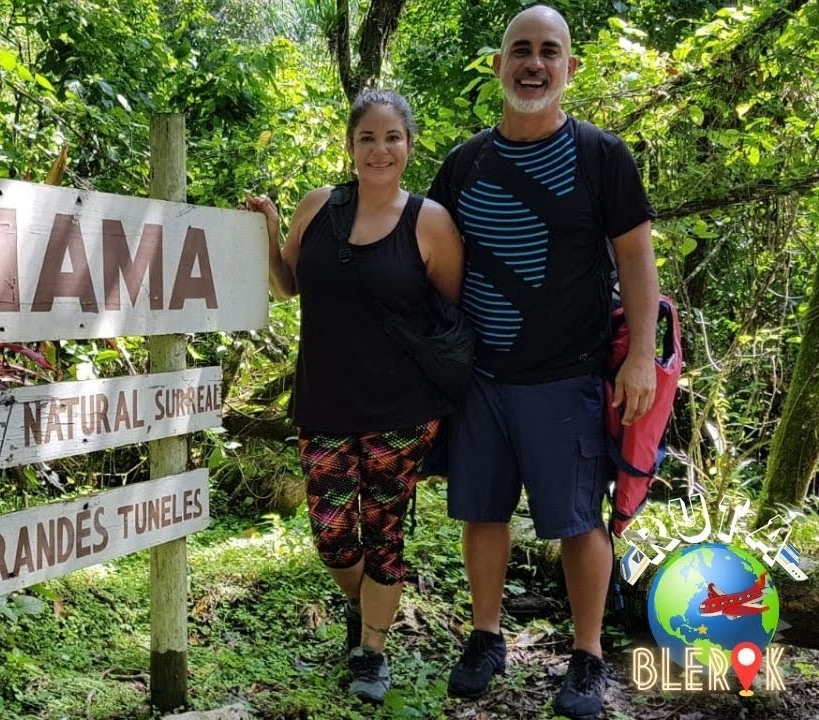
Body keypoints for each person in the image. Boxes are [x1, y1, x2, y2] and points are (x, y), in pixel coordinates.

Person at [426, 6, 660, 719]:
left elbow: (636, 259)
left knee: (577, 523)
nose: (533, 63)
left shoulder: (601, 157)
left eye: (548, 52)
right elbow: (425, 254)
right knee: (481, 512)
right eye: (520, 51)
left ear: (569, 69)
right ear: (498, 66)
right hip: (481, 380)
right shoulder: (464, 163)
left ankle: (587, 657)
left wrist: (642, 358)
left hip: (567, 377)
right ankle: (485, 637)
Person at [247, 88, 463, 703]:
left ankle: (372, 651)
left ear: (409, 147)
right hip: (324, 401)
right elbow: (286, 285)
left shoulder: (431, 222)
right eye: (367, 137)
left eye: (392, 137)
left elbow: (449, 310)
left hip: (402, 409)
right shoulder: (317, 208)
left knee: (383, 531)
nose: (379, 149)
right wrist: (268, 225)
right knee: (333, 536)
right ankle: (365, 604)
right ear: (349, 147)